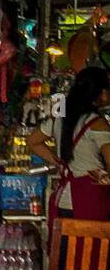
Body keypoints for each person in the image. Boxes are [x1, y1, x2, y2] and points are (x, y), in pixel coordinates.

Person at [25, 66, 110, 220]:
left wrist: (60, 163)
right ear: (102, 93)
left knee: (66, 237)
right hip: (90, 201)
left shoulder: (60, 116)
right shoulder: (97, 123)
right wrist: (100, 176)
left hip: (64, 199)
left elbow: (32, 141)